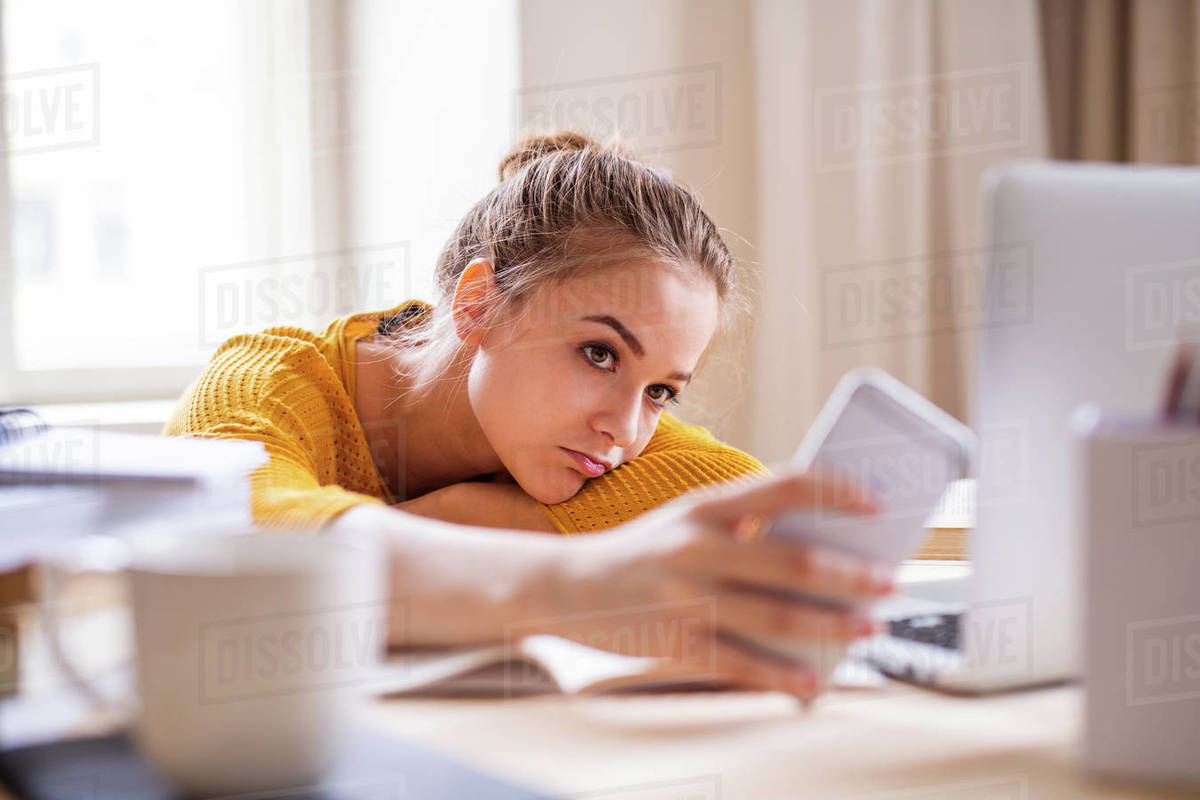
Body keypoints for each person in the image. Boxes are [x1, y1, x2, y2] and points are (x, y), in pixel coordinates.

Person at [166, 131, 892, 699]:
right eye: (600, 354)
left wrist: (470, 514)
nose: (626, 431)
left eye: (661, 391)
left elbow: (733, 503)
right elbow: (234, 549)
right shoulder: (262, 382)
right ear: (479, 305)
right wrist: (575, 580)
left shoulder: (588, 433)